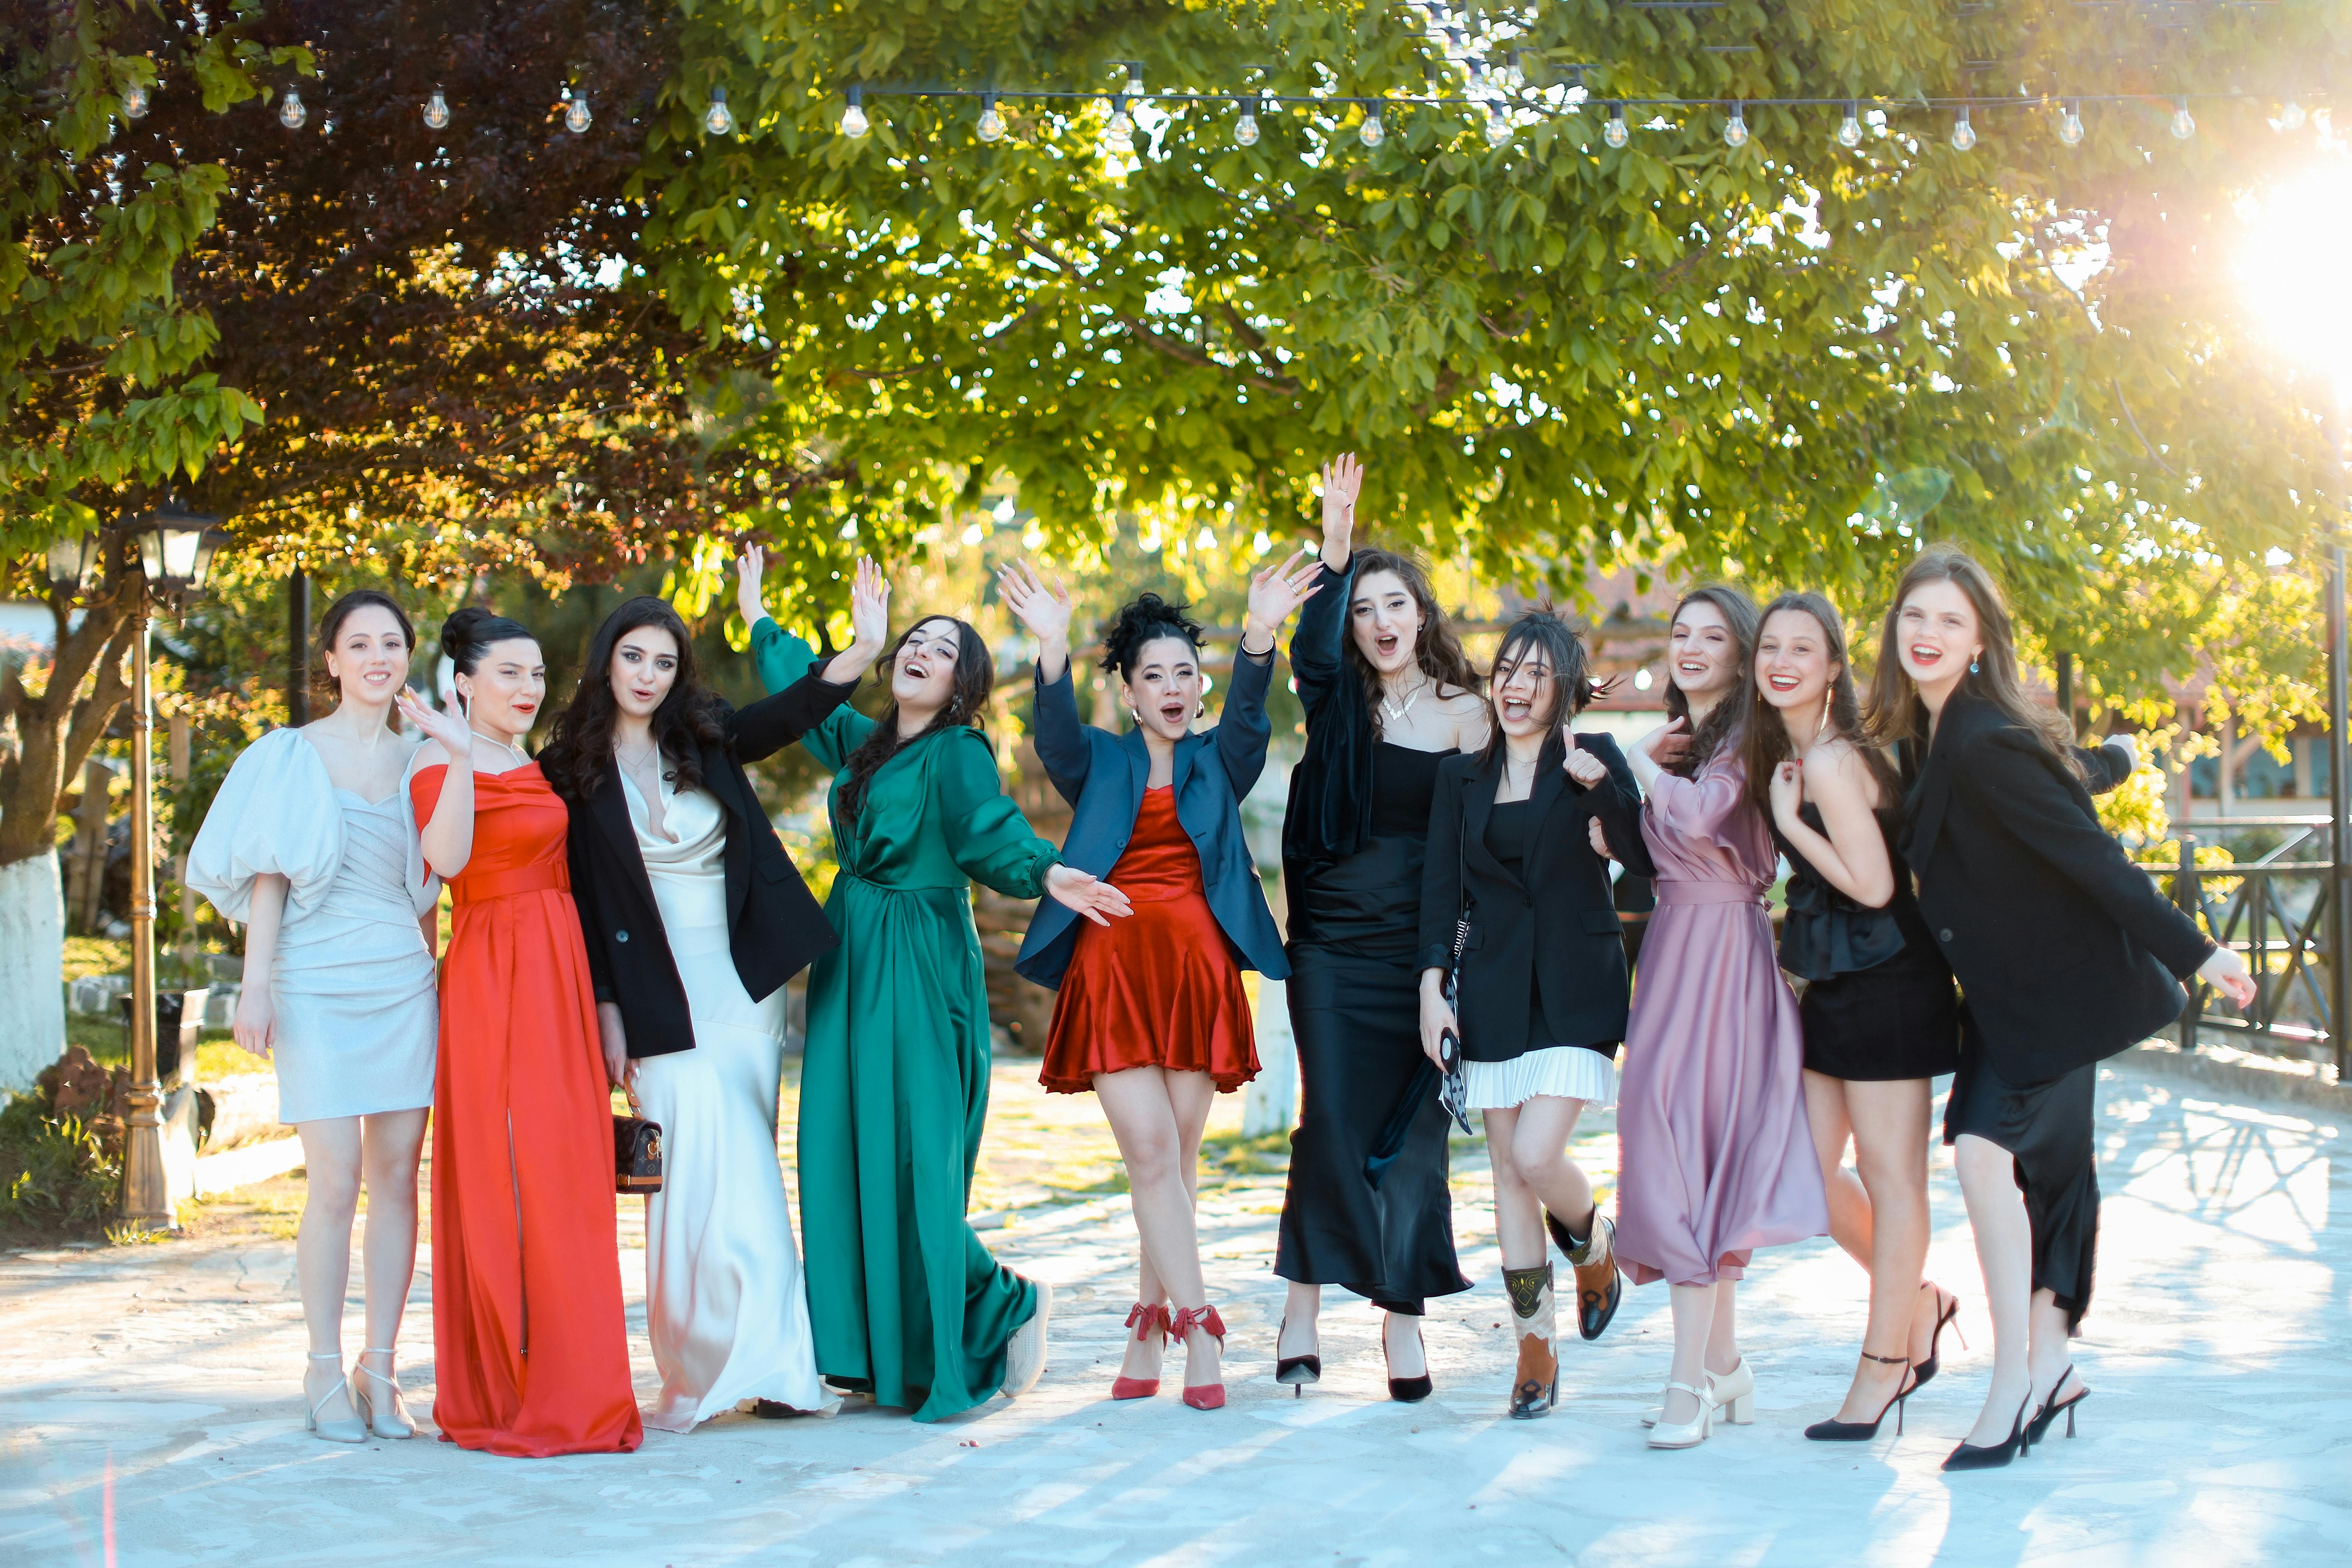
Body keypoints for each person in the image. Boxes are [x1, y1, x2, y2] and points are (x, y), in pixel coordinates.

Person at [1870, 547, 2255, 1470]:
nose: (1927, 634)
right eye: (1915, 616)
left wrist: (2201, 950)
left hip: (2056, 993)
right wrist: (2116, 757)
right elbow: (2061, 780)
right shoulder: (1929, 735)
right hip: (2010, 1002)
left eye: (1950, 622)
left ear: (1979, 643)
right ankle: (2052, 1366)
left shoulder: (1982, 736)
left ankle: (2014, 1383)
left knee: (1982, 1154)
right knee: (2053, 1174)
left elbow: (2089, 855)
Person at [744, 550, 1132, 1422]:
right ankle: (860, 1354)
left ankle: (1000, 1301)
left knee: (916, 1158)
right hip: (849, 956)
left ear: (963, 683)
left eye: (942, 647)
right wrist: (761, 613)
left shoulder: (957, 751)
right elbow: (802, 696)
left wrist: (1048, 871)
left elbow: (990, 831)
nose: (921, 651)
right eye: (912, 641)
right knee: (843, 1152)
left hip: (921, 959)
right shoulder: (865, 745)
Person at [541, 566, 888, 1433]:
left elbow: (792, 714)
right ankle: (699, 1361)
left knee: (744, 1159)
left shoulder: (706, 735)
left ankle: (775, 1361)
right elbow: (580, 900)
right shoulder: (567, 770)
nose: (650, 674)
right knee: (682, 1174)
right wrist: (606, 1008)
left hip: (739, 983)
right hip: (654, 990)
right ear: (607, 664)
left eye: (665, 660)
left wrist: (863, 649)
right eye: (634, 656)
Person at [997, 556, 1320, 1410]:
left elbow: (1252, 712)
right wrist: (1053, 647)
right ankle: (1203, 1326)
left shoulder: (1223, 759)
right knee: (1148, 1153)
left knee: (1173, 1163)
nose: (1173, 686)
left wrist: (1259, 633)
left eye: (1186, 672)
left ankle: (1147, 1325)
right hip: (1114, 971)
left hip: (1195, 974)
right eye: (1155, 675)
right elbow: (1054, 736)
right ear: (1131, 693)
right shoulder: (1097, 762)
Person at [189, 590, 449, 1443]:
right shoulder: (290, 754)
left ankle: (383, 1369)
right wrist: (254, 984)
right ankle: (321, 1367)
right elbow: (268, 875)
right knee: (334, 1179)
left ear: (406, 658)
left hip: (401, 983)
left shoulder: (423, 757)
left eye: (392, 643)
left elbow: (428, 889)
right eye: (359, 644)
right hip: (313, 981)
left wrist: (435, 975)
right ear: (332, 661)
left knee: (399, 1179)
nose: (378, 657)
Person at [1272, 454, 1489, 1400]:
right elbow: (1310, 647)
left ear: (1422, 613)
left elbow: (1482, 847)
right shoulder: (1334, 698)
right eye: (1364, 608)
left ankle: (1404, 1320)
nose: (1380, 623)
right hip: (1327, 943)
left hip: (1417, 953)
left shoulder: (1468, 715)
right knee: (1327, 1123)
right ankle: (1302, 1308)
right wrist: (1336, 546)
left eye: (1394, 604)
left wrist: (1450, 967)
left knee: (1412, 1139)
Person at [407, 607, 643, 1457]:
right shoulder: (439, 761)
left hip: (559, 971)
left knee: (567, 1169)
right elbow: (453, 859)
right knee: (509, 1174)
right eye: (509, 672)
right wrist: (462, 754)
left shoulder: (535, 765)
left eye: (537, 674)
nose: (528, 688)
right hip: (493, 972)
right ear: (464, 680)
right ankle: (505, 1385)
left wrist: (608, 1009)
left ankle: (576, 1380)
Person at [1609, 586, 1830, 1451]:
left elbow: (1701, 816)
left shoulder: (1743, 740)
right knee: (1664, 1133)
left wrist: (1638, 763)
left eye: (1712, 635)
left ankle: (1686, 1383)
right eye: (1680, 632)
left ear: (1741, 654)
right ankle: (1725, 1362)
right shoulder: (1685, 742)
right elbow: (1659, 840)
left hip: (1727, 956)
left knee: (1691, 1148)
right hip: (1673, 948)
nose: (1691, 646)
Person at [1415, 609, 1650, 1420]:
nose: (1516, 686)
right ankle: (1534, 1349)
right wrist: (1430, 986)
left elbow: (1645, 862)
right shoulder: (1461, 779)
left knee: (1541, 1155)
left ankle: (1594, 1241)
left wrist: (1604, 798)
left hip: (1576, 988)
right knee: (1508, 1175)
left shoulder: (1596, 759)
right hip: (1492, 996)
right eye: (1507, 670)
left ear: (1563, 689)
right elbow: (1440, 893)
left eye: (1535, 674)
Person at [1746, 591, 1962, 1442]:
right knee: (1802, 1168)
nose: (1784, 660)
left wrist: (1786, 820)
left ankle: (1885, 1366)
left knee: (1890, 1180)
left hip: (1889, 983)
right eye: (1772, 646)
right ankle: (1925, 1303)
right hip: (1839, 983)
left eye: (1805, 648)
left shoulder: (1832, 761)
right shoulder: (1805, 753)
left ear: (1834, 668)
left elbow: (1873, 886)